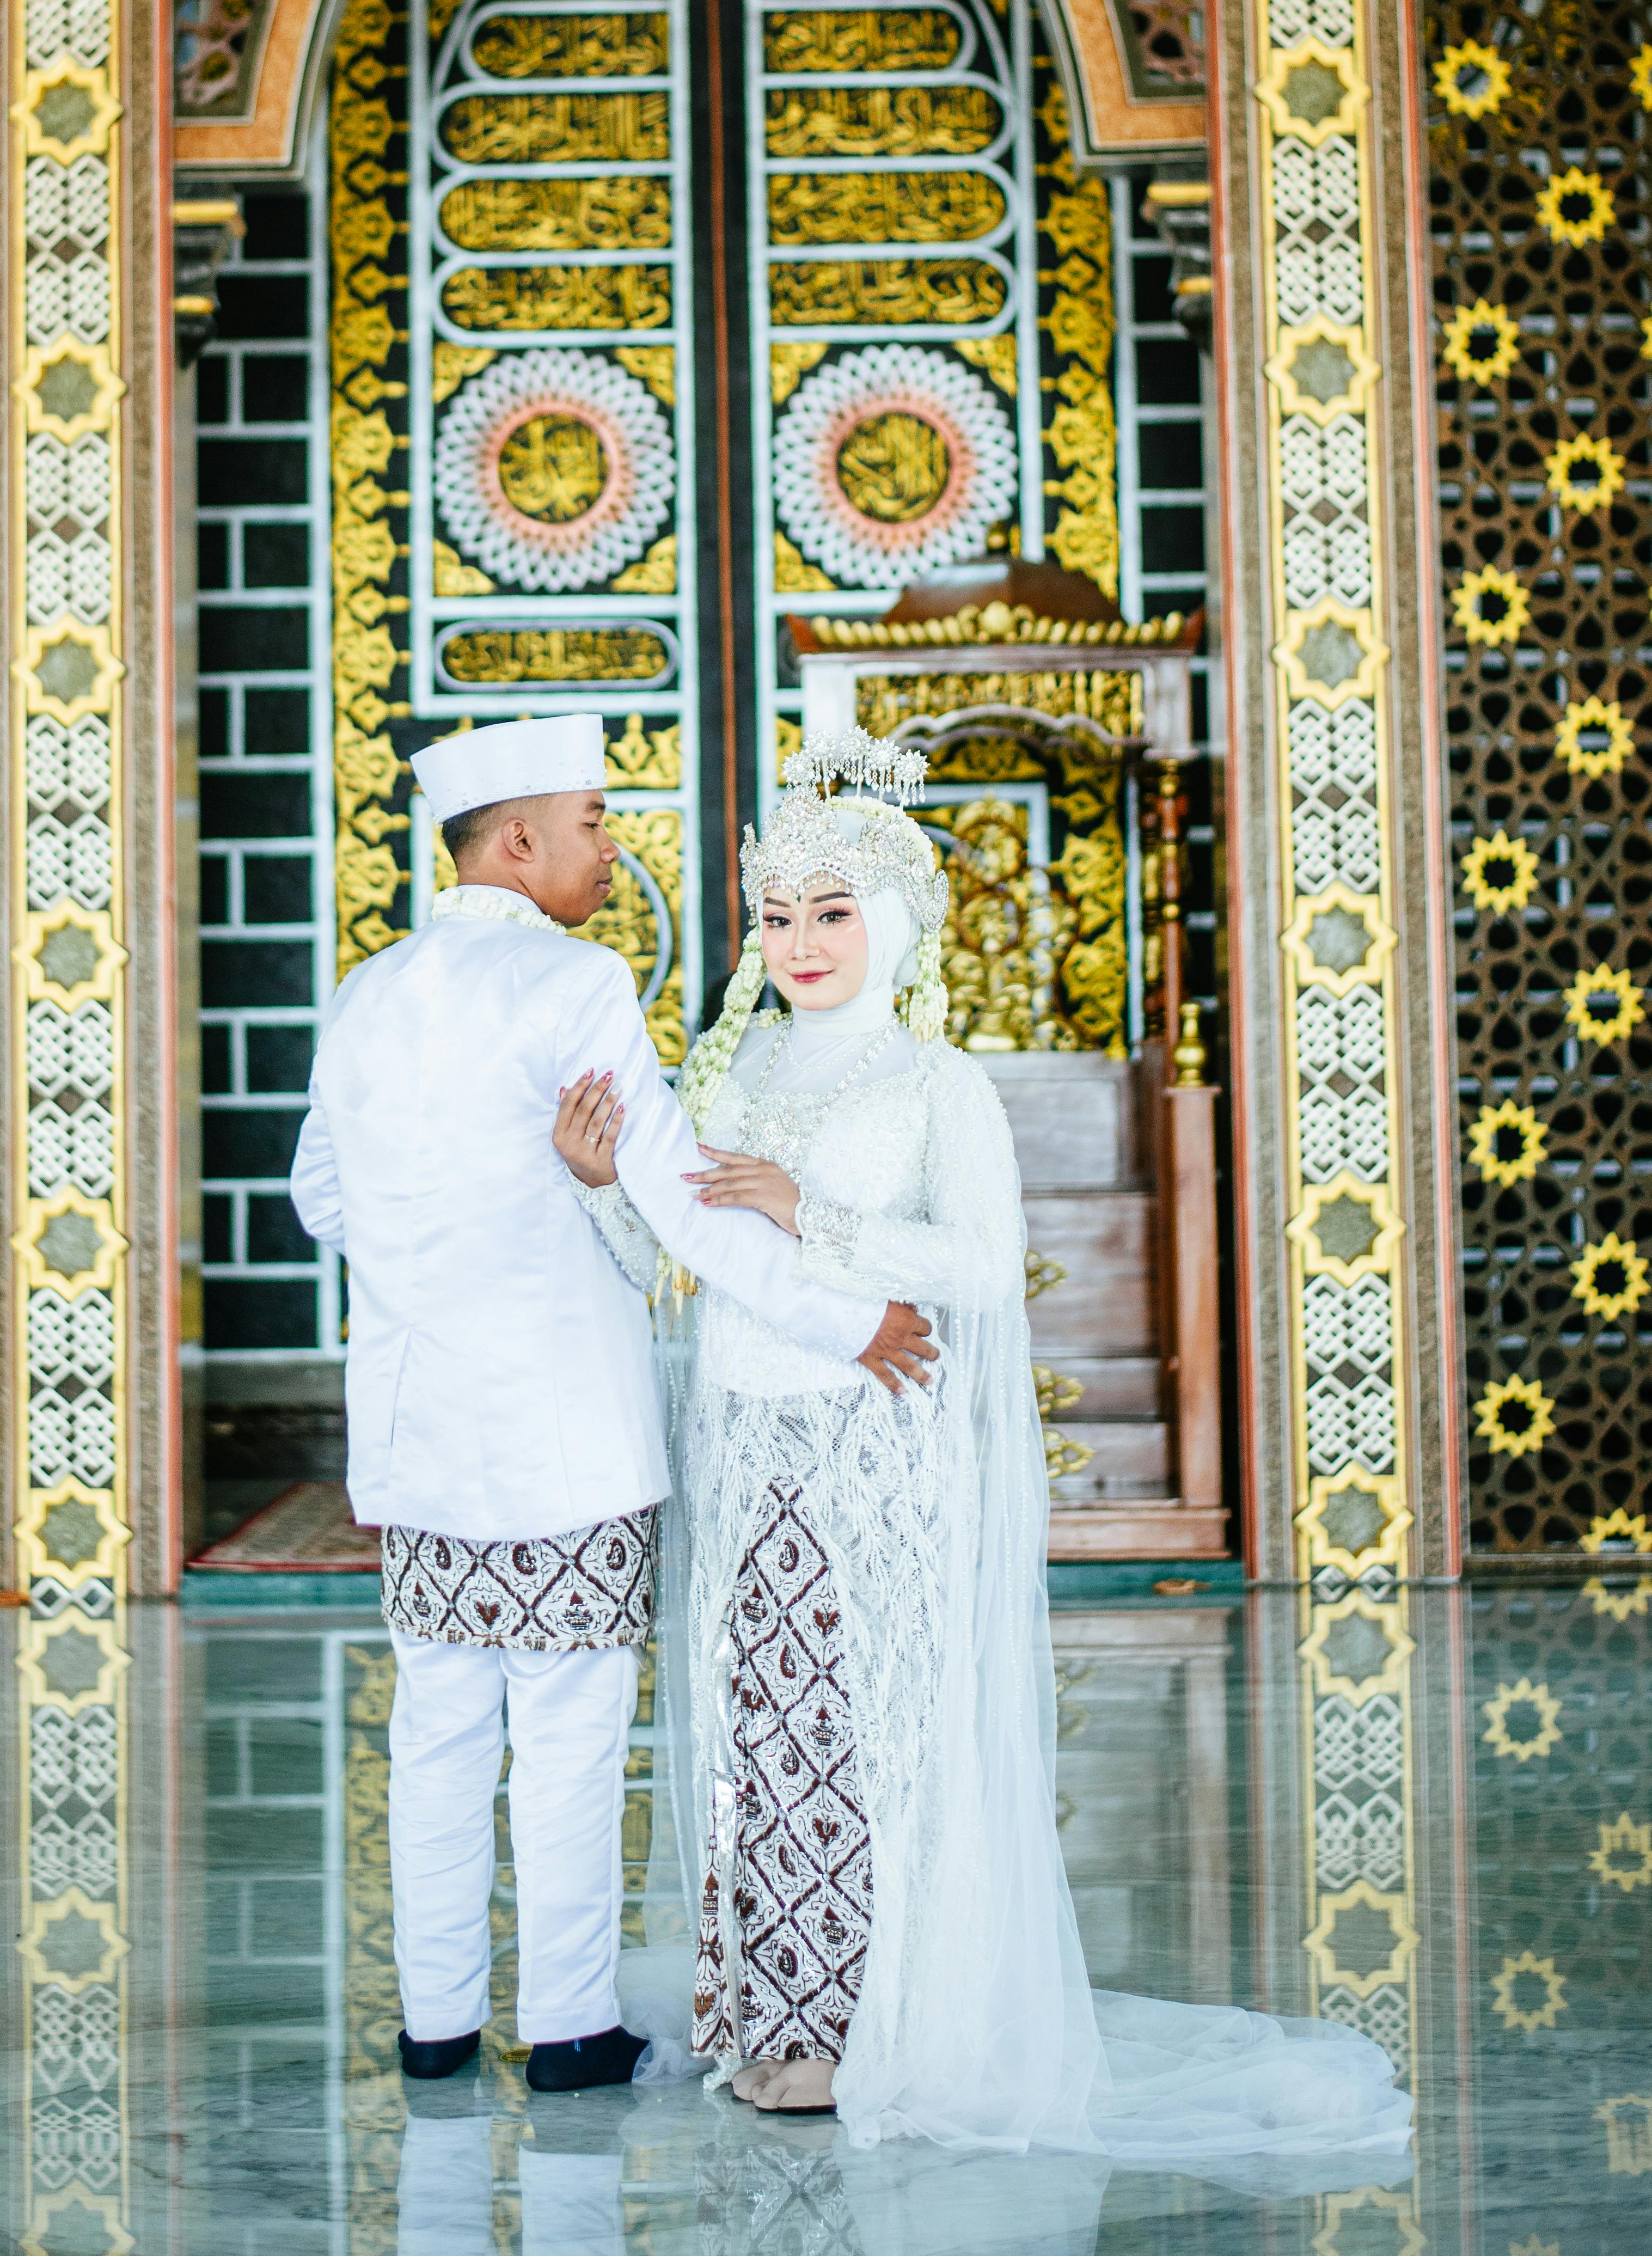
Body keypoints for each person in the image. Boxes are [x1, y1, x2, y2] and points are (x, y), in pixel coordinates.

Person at [553, 729, 1411, 2172]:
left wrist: (811, 1214)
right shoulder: (730, 1071)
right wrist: (598, 1187)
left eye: (833, 913)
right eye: (780, 913)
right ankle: (777, 2012)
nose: (802, 942)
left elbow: (982, 1266)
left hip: (874, 1450)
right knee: (760, 1731)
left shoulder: (935, 1083)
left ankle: (873, 2026)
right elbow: (666, 1256)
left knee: (863, 1730)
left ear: (891, 921)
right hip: (743, 1445)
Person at [288, 713, 935, 2099]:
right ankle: (569, 2028)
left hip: (416, 1435)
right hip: (562, 1439)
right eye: (590, 820)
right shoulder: (573, 980)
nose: (607, 843)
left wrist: (445, 1234)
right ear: (518, 840)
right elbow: (681, 1203)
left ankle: (434, 2027)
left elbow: (321, 1200)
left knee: (437, 1732)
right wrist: (852, 1318)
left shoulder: (366, 990)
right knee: (568, 1737)